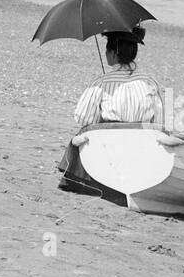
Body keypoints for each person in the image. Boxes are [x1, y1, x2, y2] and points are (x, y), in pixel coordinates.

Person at [58, 28, 161, 194]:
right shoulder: (150, 82)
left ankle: (84, 179)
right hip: (141, 141)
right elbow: (159, 119)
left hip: (110, 141)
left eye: (107, 49)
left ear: (113, 54)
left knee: (82, 133)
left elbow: (83, 117)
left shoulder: (102, 82)